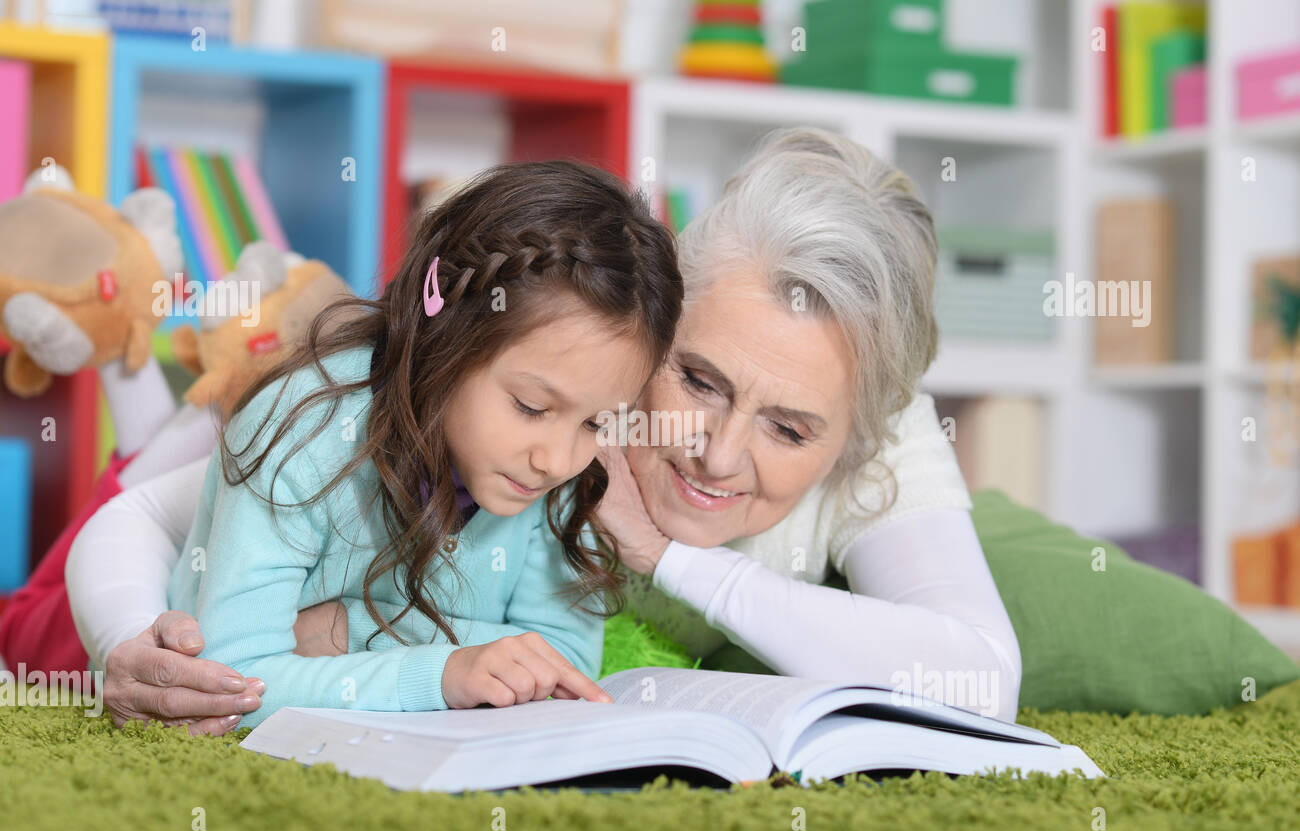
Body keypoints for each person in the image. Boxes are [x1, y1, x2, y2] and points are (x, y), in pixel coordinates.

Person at [70, 127, 1021, 734]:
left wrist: (670, 559)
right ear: (658, 321)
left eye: (789, 427)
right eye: (695, 378)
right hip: (183, 564)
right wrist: (128, 642)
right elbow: (146, 523)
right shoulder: (526, 355)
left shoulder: (878, 436)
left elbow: (980, 676)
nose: (718, 454)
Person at [68, 159, 683, 731]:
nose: (558, 460)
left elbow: (561, 663)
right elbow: (231, 685)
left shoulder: (553, 465)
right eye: (529, 406)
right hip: (118, 618)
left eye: (598, 424)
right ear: (444, 334)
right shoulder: (302, 427)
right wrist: (442, 671)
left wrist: (341, 629)